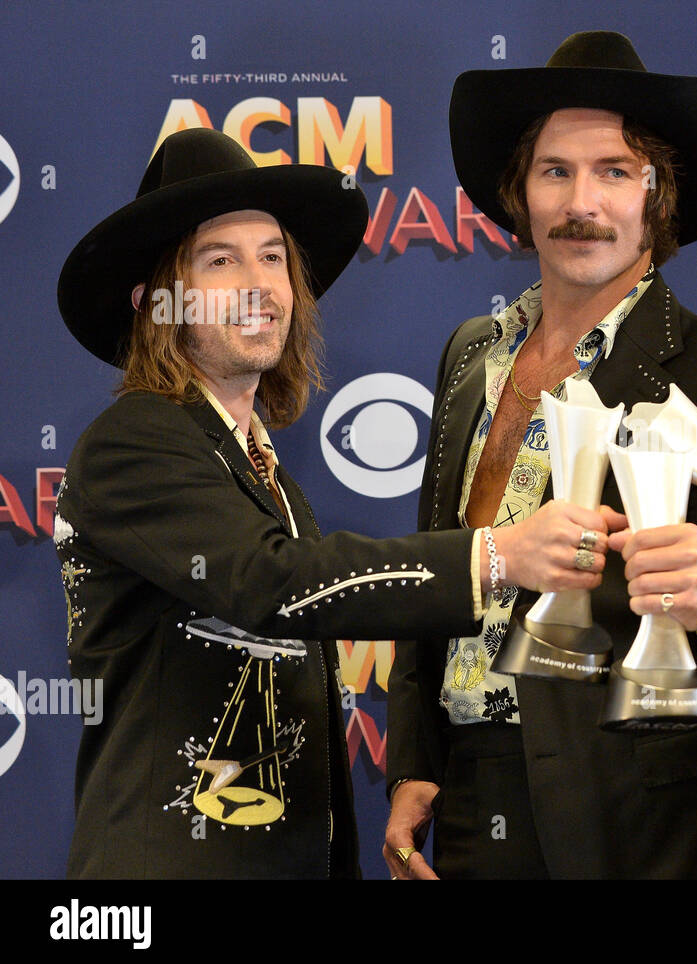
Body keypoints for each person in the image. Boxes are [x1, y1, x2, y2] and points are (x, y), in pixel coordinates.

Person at [54, 128, 579, 878]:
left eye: (273, 256)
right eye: (219, 260)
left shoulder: (270, 478)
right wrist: (497, 554)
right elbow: (276, 583)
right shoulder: (133, 439)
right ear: (154, 301)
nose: (259, 283)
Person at [383, 31, 697, 879]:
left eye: (615, 171)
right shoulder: (472, 355)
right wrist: (415, 757)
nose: (584, 202)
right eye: (555, 171)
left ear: (658, 197)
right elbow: (443, 565)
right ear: (521, 192)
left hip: (639, 822)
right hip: (470, 798)